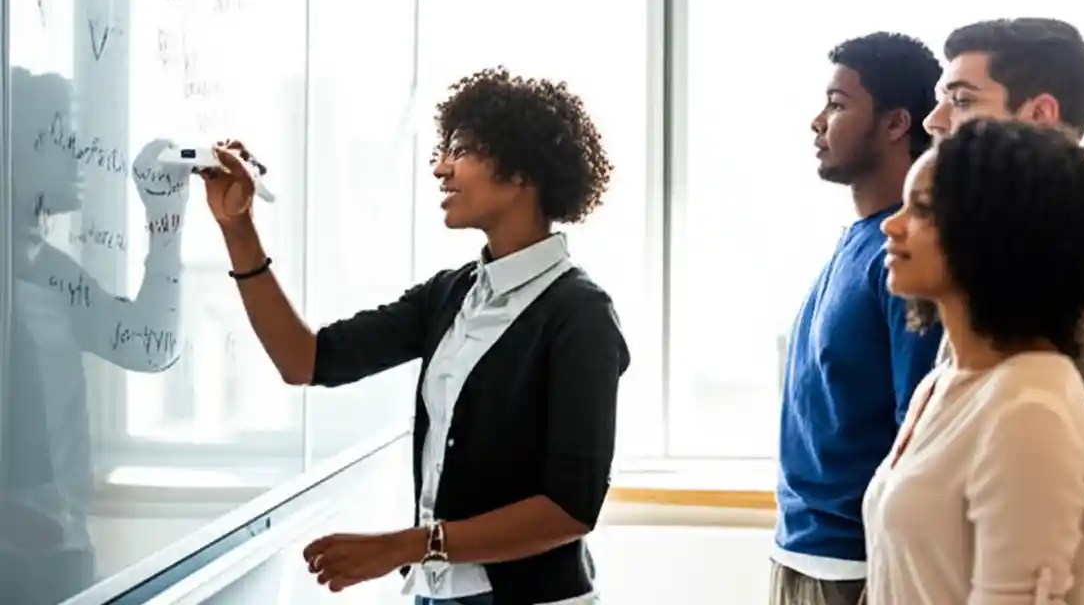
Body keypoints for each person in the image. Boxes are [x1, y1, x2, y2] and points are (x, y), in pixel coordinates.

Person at [199, 67, 628, 605]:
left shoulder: (580, 314)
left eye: (462, 150)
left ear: (523, 173)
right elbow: (305, 360)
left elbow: (570, 507)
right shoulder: (450, 296)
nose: (441, 168)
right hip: (437, 595)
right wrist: (239, 230)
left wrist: (408, 546)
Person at [923, 17, 1084, 598]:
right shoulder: (1003, 263)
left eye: (961, 100)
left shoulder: (1070, 277)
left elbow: (1039, 505)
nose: (934, 121)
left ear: (1040, 115)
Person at [864, 118, 1084, 604]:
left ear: (994, 231)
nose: (892, 225)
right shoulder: (941, 384)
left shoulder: (1029, 406)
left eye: (923, 210)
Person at [1, 67, 188, 604]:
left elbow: (151, 346)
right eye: (58, 135)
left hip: (58, 558)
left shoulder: (44, 266)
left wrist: (166, 217)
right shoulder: (25, 271)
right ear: (14, 148)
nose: (78, 152)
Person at [772, 32, 944, 605]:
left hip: (858, 566)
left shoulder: (908, 256)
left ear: (896, 123)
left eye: (838, 104)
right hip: (800, 549)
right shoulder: (858, 243)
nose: (817, 122)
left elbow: (918, 434)